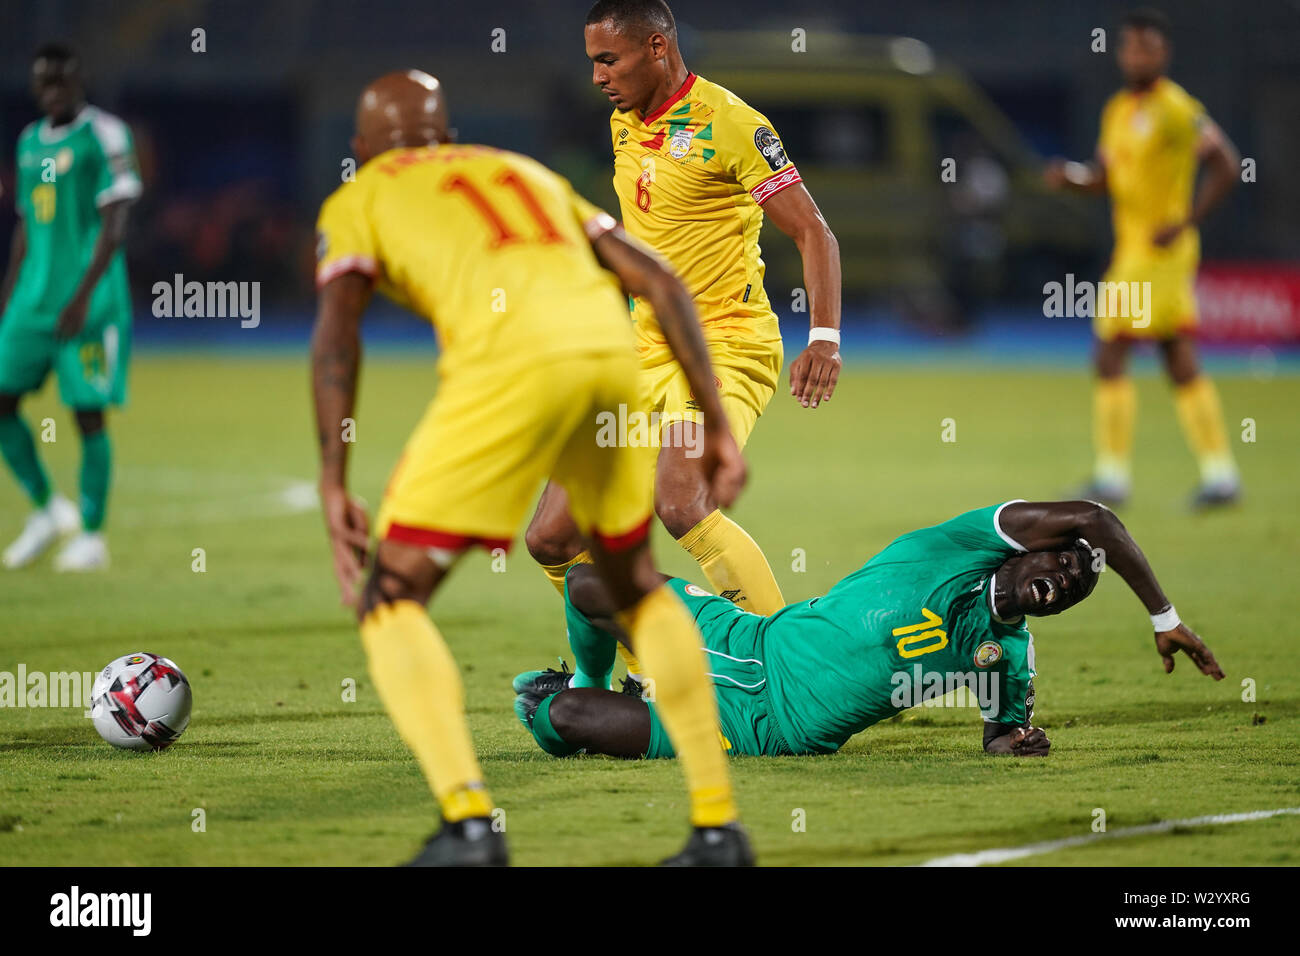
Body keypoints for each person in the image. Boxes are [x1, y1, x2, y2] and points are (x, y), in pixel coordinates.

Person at [312, 69, 754, 866]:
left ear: (360, 150)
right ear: (445, 134)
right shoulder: (522, 171)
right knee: (635, 585)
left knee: (391, 596)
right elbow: (655, 277)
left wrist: (333, 476)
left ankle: (468, 826)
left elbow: (338, 336)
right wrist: (714, 420)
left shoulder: (359, 198)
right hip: (610, 363)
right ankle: (717, 828)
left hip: (510, 373)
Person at [525, 0, 843, 690]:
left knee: (680, 501)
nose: (598, 78)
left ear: (658, 47)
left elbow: (814, 231)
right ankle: (639, 670)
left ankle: (796, 678)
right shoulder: (624, 122)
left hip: (727, 342)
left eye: (609, 60)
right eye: (592, 62)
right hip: (641, 350)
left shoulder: (732, 123)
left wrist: (825, 338)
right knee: (551, 536)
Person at [513, 500, 1224, 760]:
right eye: (1063, 562)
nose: (1065, 578)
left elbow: (1002, 733)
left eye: (1074, 590)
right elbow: (1096, 519)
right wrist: (1164, 617)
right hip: (751, 638)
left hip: (760, 730)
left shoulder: (1006, 655)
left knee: (561, 719)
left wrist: (1015, 741)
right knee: (587, 582)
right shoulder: (962, 545)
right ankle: (593, 675)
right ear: (1028, 545)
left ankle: (597, 696)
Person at [1045, 7, 1241, 509]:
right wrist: (1073, 179)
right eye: (1131, 47)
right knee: (1177, 357)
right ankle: (1221, 476)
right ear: (1121, 53)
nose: (1138, 55)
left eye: (1148, 48)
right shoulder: (1116, 111)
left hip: (1159, 254)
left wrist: (1187, 220)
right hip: (1133, 252)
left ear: (1164, 53)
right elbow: (1104, 179)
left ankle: (1113, 479)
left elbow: (1227, 165)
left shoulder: (1177, 108)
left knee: (1111, 351)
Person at [1, 43, 141, 570]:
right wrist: (9, 294)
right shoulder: (29, 142)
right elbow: (25, 225)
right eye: (44, 84)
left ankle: (92, 536)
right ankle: (45, 510)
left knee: (86, 414)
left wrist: (83, 296)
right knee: (1, 399)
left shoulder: (104, 135)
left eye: (61, 82)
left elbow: (117, 219)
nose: (52, 92)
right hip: (33, 301)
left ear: (78, 81)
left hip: (90, 303)